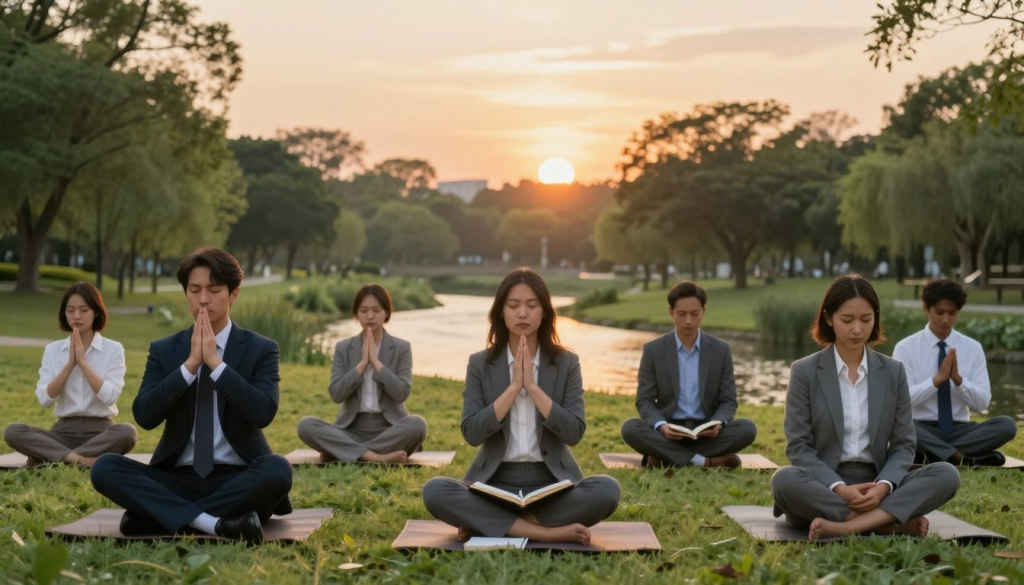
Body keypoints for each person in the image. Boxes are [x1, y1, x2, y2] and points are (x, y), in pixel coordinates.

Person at [90, 247, 292, 544]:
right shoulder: (165, 349)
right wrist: (190, 366)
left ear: (233, 293)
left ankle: (156, 516)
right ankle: (218, 524)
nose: (203, 299)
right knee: (105, 467)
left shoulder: (261, 348)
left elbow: (263, 411)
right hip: (176, 478)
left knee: (278, 469)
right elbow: (144, 415)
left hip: (239, 477)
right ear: (185, 293)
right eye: (194, 290)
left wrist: (216, 365)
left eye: (214, 289)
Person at [422, 267, 620, 544]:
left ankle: (493, 524)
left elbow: (574, 433)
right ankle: (543, 532)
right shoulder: (480, 363)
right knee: (435, 490)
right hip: (494, 483)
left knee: (607, 489)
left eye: (532, 305)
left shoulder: (566, 363)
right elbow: (472, 433)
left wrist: (534, 389)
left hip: (552, 483)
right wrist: (514, 388)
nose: (522, 313)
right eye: (513, 305)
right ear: (501, 312)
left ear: (545, 312)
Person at [771, 274, 960, 540]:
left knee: (946, 474)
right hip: (823, 486)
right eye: (847, 320)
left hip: (878, 482)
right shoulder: (804, 371)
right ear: (829, 318)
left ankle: (847, 527)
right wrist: (837, 487)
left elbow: (904, 444)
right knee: (784, 480)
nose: (857, 329)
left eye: (866, 319)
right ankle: (886, 523)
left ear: (876, 318)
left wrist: (883, 487)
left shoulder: (894, 371)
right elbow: (798, 447)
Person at [620, 281, 757, 468]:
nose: (688, 321)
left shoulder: (720, 350)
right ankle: (703, 461)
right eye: (682, 314)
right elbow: (645, 401)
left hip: (706, 433)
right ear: (671, 312)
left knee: (747, 428)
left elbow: (728, 400)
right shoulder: (653, 350)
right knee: (630, 428)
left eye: (695, 314)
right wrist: (661, 426)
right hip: (668, 431)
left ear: (704, 311)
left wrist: (717, 423)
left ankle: (664, 457)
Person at [4, 282, 136, 467]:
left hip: (101, 432)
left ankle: (51, 458)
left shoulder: (113, 349)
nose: (76, 316)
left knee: (127, 432)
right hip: (62, 434)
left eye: (84, 310)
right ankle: (80, 460)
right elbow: (45, 400)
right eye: (70, 310)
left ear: (96, 312)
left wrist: (83, 363)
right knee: (13, 431)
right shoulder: (53, 350)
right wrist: (69, 365)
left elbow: (111, 396)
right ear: (64, 313)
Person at [297, 284, 427, 464]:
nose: (370, 316)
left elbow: (401, 393)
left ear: (386, 313)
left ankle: (343, 452)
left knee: (417, 425)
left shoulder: (401, 348)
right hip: (350, 430)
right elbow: (336, 394)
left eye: (376, 310)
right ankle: (374, 457)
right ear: (356, 314)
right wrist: (361, 365)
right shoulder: (344, 348)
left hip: (390, 429)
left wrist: (377, 364)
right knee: (306, 425)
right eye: (364, 310)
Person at [893, 278, 1016, 466]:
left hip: (961, 429)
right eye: (939, 312)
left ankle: (935, 453)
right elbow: (901, 401)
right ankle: (963, 458)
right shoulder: (906, 348)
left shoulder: (972, 348)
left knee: (1007, 425)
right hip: (922, 427)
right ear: (925, 308)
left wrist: (958, 380)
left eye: (952, 313)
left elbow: (982, 403)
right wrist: (937, 380)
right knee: (898, 425)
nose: (945, 319)